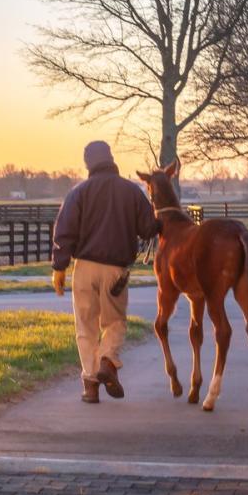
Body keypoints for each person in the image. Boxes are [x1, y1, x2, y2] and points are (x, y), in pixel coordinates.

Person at [51, 141, 159, 403]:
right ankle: (107, 361)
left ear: (88, 162)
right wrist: (161, 218)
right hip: (116, 270)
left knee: (85, 326)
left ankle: (90, 386)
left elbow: (64, 231)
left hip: (84, 267)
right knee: (115, 321)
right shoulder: (130, 191)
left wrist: (59, 267)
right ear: (111, 158)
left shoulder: (79, 193)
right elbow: (148, 229)